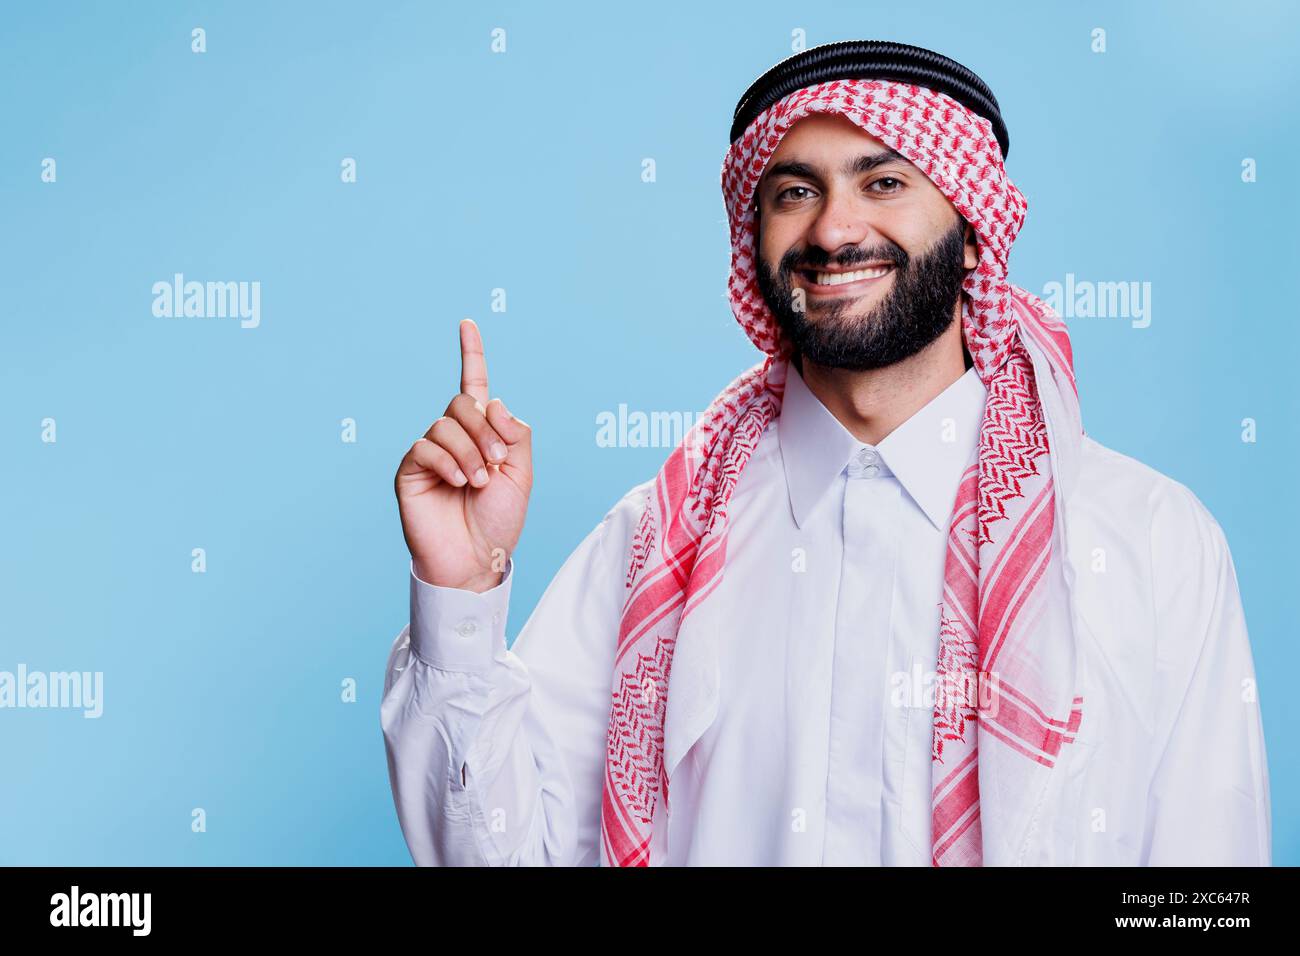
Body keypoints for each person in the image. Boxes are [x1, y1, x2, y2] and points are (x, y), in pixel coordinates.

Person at [381, 40, 1271, 866]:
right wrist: (460, 593)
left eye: (884, 182)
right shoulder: (654, 545)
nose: (833, 232)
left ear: (970, 234)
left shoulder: (1147, 539)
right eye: (795, 191)